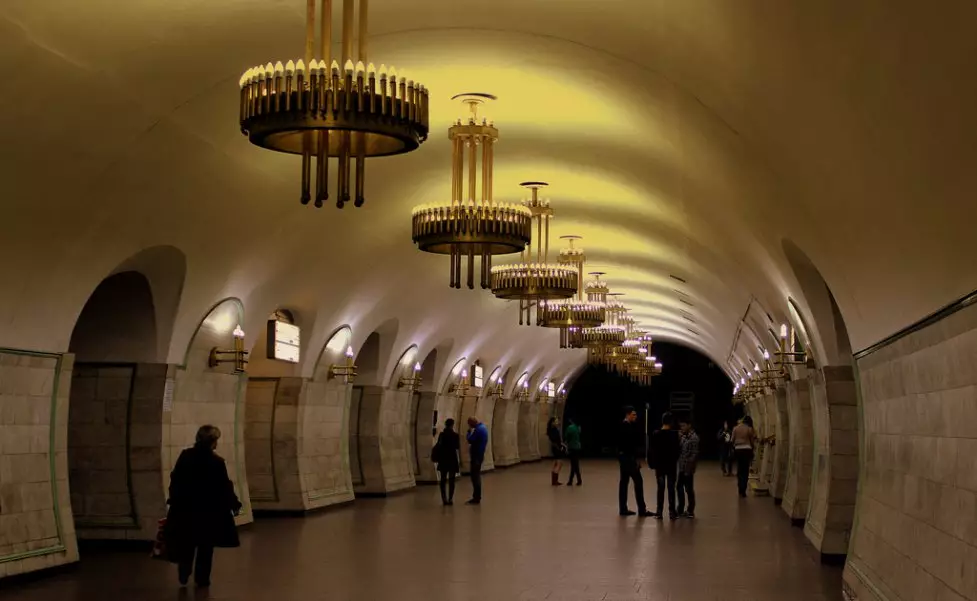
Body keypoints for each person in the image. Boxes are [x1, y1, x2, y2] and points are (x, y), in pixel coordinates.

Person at [164, 425, 242, 588]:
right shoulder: (217, 462)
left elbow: (175, 479)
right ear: (212, 442)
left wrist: (174, 499)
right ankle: (202, 578)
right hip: (208, 511)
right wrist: (234, 504)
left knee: (187, 542)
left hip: (186, 509)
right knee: (206, 546)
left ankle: (184, 572)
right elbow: (224, 487)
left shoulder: (185, 456)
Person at [617, 406, 652, 517]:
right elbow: (631, 445)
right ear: (627, 415)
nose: (635, 416)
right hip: (629, 459)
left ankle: (623, 508)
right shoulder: (627, 427)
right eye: (633, 414)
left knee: (624, 483)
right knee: (638, 482)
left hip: (624, 459)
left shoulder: (622, 426)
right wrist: (636, 459)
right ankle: (642, 509)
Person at [648, 412, 681, 520]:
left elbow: (651, 451)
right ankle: (672, 512)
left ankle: (659, 512)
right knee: (671, 488)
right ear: (671, 422)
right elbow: (678, 451)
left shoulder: (656, 434)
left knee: (660, 489)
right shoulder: (675, 435)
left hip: (660, 466)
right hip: (671, 465)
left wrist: (652, 464)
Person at [433, 418, 461, 505]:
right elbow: (457, 447)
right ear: (452, 425)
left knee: (443, 479)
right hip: (452, 459)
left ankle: (444, 498)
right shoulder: (455, 435)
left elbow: (439, 445)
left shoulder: (442, 435)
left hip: (443, 459)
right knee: (452, 480)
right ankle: (450, 498)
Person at [677, 420, 699, 518]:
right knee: (679, 487)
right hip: (682, 467)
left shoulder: (694, 438)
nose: (682, 428)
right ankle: (680, 509)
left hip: (688, 468)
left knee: (689, 489)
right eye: (681, 426)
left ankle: (690, 510)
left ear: (689, 425)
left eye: (684, 425)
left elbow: (694, 455)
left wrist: (688, 469)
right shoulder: (683, 437)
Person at [732, 416, 758, 497]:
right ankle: (743, 489)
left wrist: (735, 446)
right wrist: (753, 448)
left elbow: (732, 440)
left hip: (738, 450)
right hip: (747, 450)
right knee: (745, 470)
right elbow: (752, 440)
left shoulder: (735, 428)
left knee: (739, 469)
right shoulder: (749, 429)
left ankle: (740, 487)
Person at [465, 416, 489, 504]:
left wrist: (468, 433)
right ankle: (477, 496)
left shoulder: (478, 430)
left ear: (472, 423)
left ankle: (476, 497)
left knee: (475, 477)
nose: (469, 426)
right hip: (480, 455)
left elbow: (470, 440)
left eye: (469, 424)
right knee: (476, 476)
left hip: (476, 457)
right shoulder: (483, 428)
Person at [546, 417, 566, 485]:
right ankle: (555, 481)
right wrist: (560, 447)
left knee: (556, 463)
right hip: (557, 448)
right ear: (552, 422)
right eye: (556, 421)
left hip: (555, 448)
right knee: (559, 464)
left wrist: (562, 444)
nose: (558, 422)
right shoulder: (554, 430)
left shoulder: (552, 430)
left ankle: (554, 480)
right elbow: (556, 440)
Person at [564, 418, 582, 486]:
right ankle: (574, 480)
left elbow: (567, 437)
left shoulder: (570, 428)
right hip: (577, 447)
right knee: (575, 464)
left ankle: (574, 480)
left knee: (574, 465)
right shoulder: (578, 428)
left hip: (572, 447)